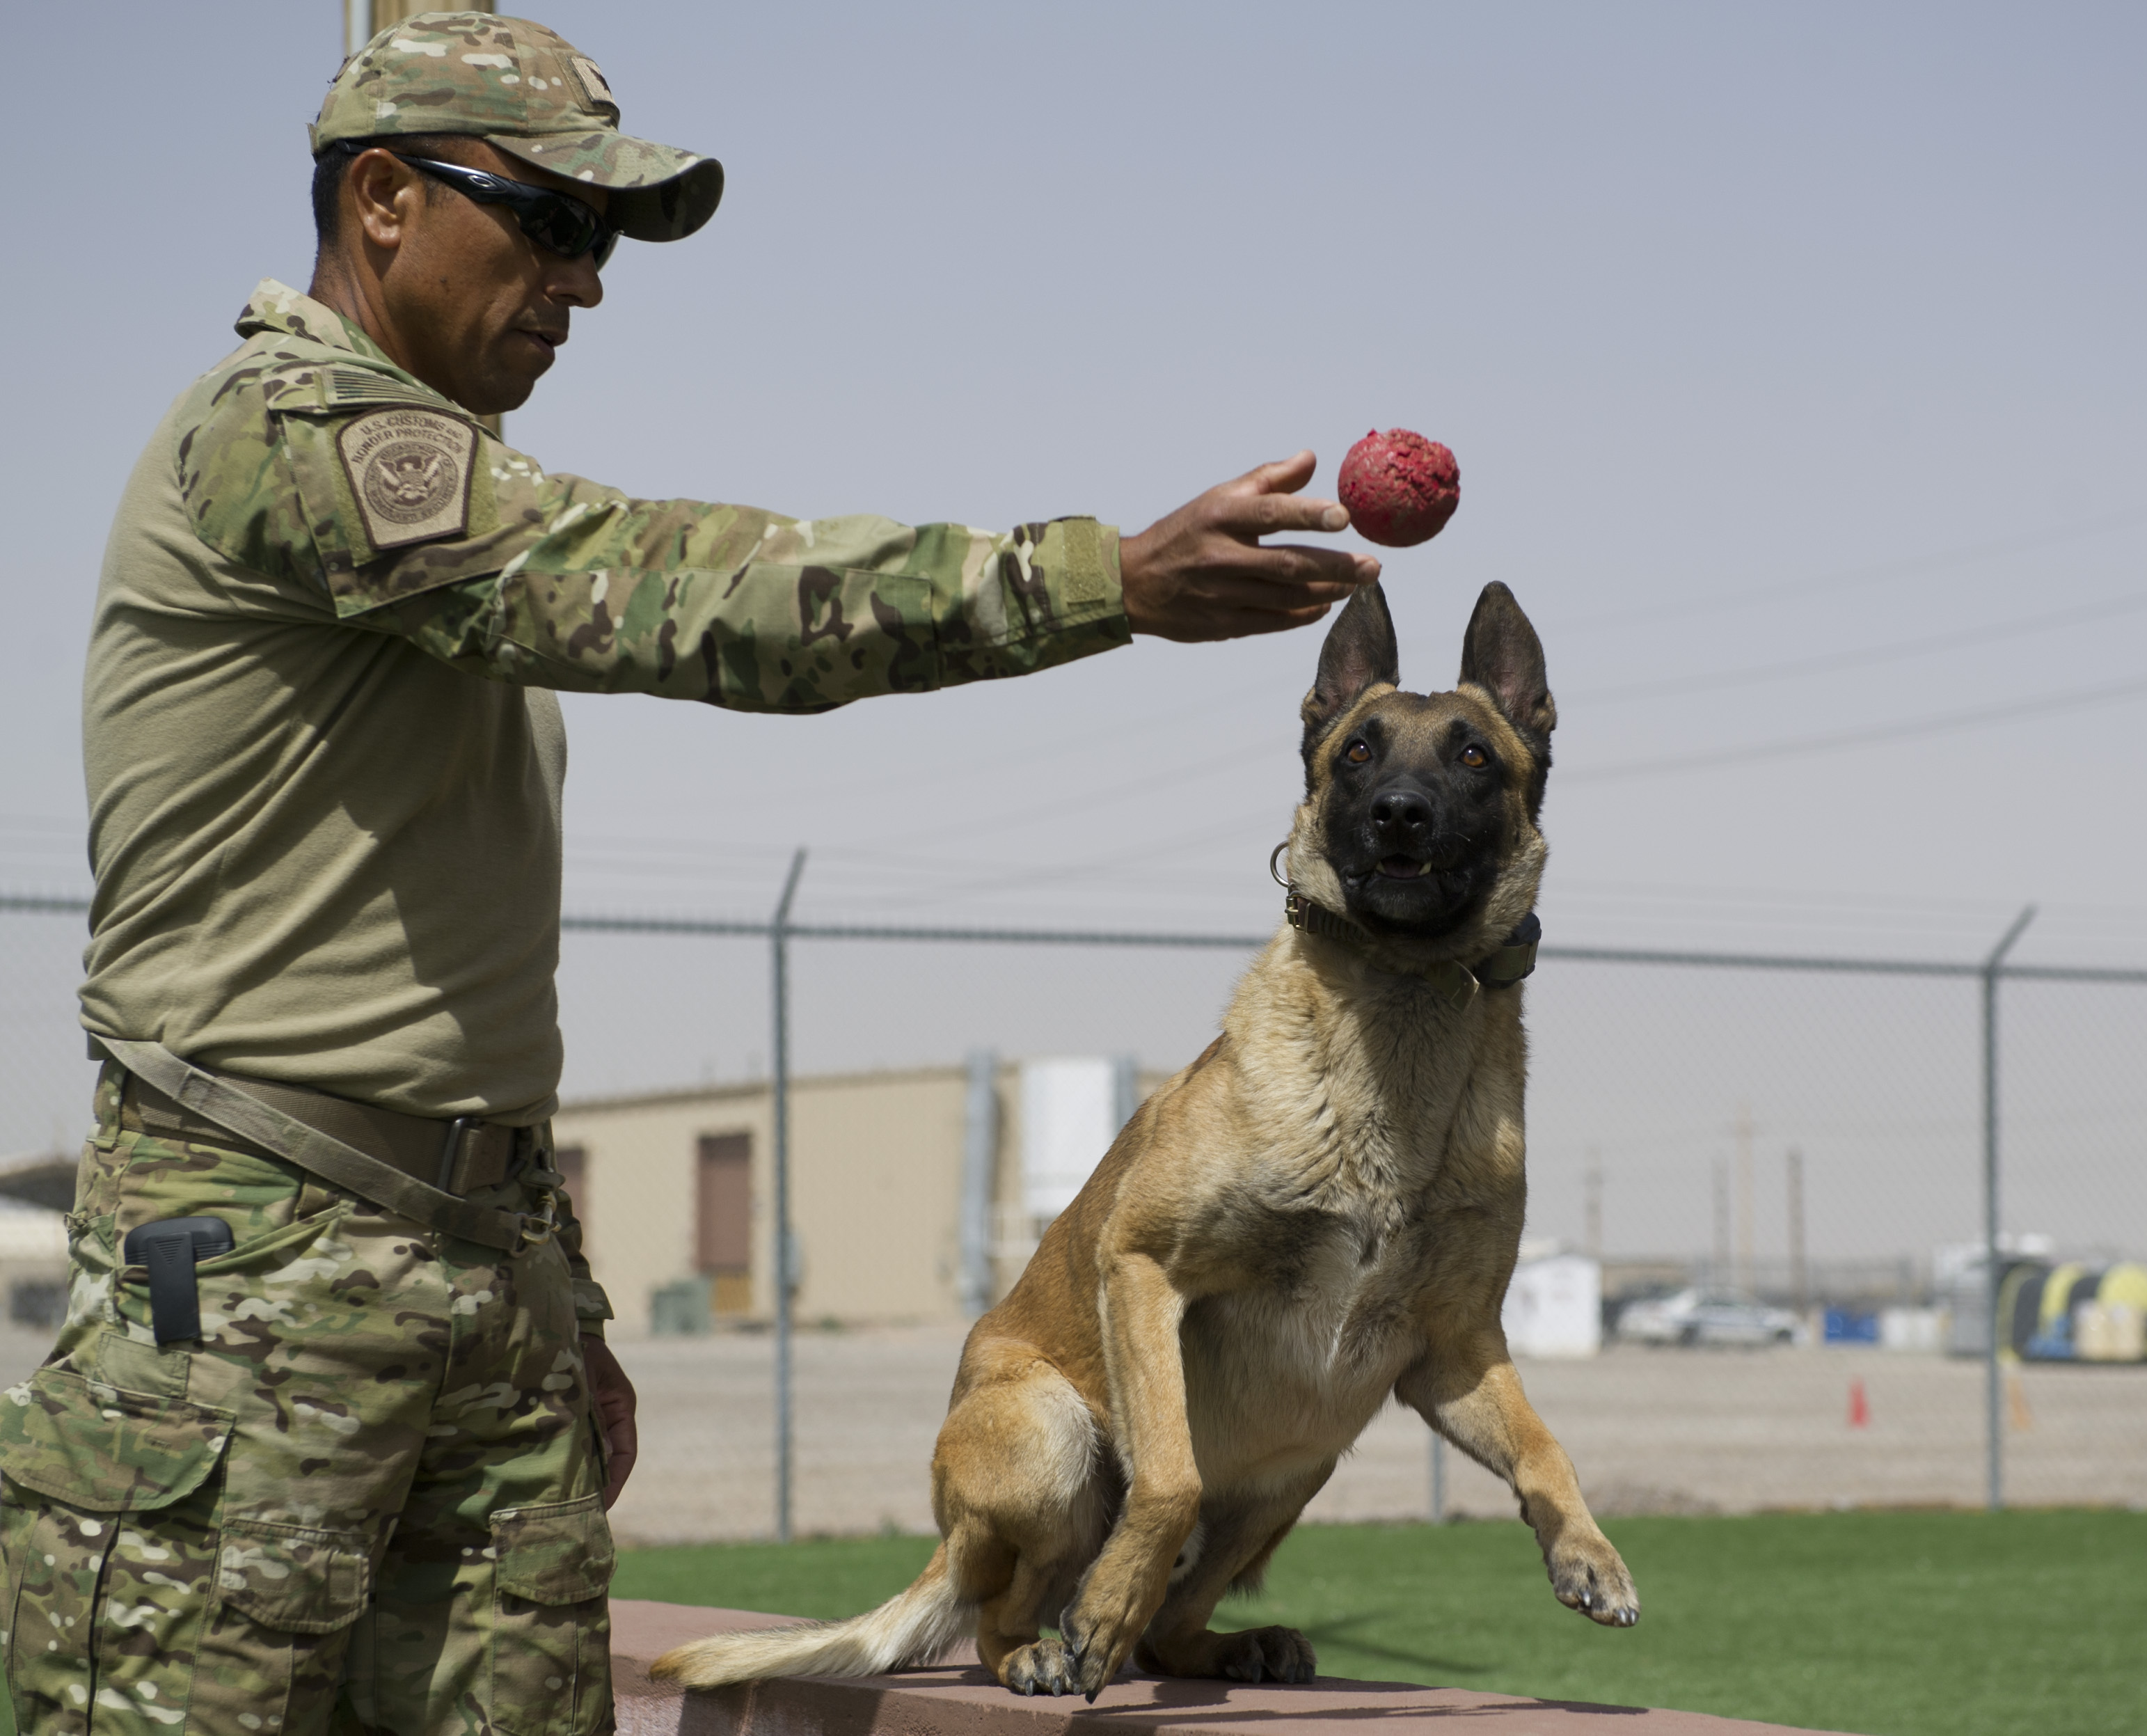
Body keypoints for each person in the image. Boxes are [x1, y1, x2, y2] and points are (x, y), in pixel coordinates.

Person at [0, 13, 1377, 1735]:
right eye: (549, 221)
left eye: (602, 238)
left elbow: (443, 984)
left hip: (473, 1261)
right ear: (381, 201)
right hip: (255, 1252)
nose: (583, 280)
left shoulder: (434, 517)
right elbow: (676, 588)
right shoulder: (291, 435)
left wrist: (547, 1285)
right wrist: (1094, 576)